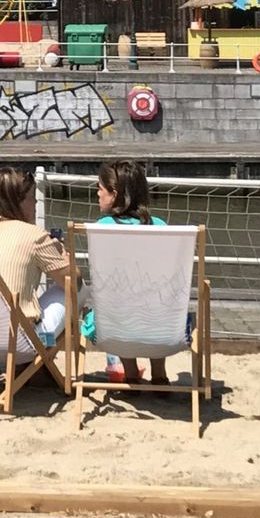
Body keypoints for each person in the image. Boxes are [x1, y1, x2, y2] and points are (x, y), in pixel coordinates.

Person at [0, 167, 73, 346]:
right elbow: (73, 283)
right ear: (18, 202)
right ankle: (42, 360)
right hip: (17, 343)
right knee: (74, 291)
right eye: (32, 198)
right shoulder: (34, 235)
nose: (35, 204)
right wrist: (64, 257)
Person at [89, 160, 171, 387]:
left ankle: (131, 373)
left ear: (114, 194)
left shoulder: (102, 226)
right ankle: (159, 375)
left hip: (114, 324)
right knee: (154, 298)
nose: (97, 193)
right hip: (162, 324)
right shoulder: (161, 227)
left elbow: (102, 278)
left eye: (100, 188)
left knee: (117, 298)